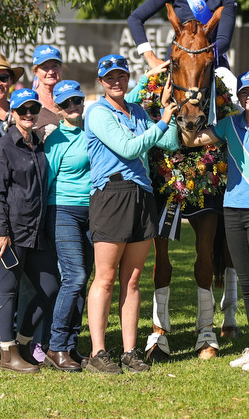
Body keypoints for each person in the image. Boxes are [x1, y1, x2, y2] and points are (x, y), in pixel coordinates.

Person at [181, 71, 249, 372]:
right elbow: (192, 140)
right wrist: (183, 111)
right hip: (232, 210)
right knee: (247, 282)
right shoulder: (230, 124)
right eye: (244, 93)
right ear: (239, 97)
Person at [84, 55, 179, 374]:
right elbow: (128, 149)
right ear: (101, 81)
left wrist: (168, 111)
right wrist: (163, 121)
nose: (116, 81)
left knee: (133, 279)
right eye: (109, 77)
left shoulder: (137, 111)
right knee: (106, 277)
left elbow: (170, 142)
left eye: (121, 76)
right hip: (112, 195)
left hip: (141, 195)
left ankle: (129, 351)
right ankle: (98, 352)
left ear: (127, 78)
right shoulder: (98, 112)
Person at [0, 88, 59, 373]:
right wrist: (1, 231)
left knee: (50, 287)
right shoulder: (3, 147)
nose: (29, 114)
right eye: (23, 109)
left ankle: (23, 342)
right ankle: (7, 354)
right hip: (8, 233)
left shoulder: (38, 144)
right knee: (7, 291)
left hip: (34, 231)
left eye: (33, 109)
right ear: (13, 113)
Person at [44, 80, 92, 372]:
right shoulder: (56, 141)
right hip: (62, 210)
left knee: (83, 281)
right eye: (66, 104)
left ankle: (71, 346)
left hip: (93, 212)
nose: (73, 107)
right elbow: (45, 181)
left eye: (76, 101)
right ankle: (56, 346)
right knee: (74, 276)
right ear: (58, 109)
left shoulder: (93, 130)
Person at [31, 44, 63, 138]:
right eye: (45, 67)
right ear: (36, 71)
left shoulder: (70, 98)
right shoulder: (30, 102)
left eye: (55, 66)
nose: (51, 72)